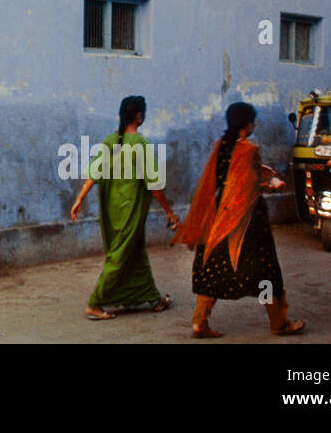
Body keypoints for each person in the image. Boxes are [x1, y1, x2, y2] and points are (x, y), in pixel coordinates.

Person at [172, 101, 304, 338]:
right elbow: (248, 187)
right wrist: (272, 184)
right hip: (247, 222)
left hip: (219, 219)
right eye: (253, 121)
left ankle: (199, 323)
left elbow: (226, 179)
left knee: (212, 269)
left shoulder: (222, 145)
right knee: (265, 274)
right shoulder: (248, 149)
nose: (254, 125)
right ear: (247, 124)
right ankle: (278, 323)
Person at [70, 95, 181, 320]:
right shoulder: (140, 145)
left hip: (113, 211)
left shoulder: (110, 141)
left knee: (135, 251)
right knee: (120, 255)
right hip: (131, 210)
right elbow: (154, 185)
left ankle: (153, 298)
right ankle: (95, 302)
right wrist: (169, 211)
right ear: (139, 115)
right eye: (143, 112)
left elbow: (93, 173)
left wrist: (79, 198)